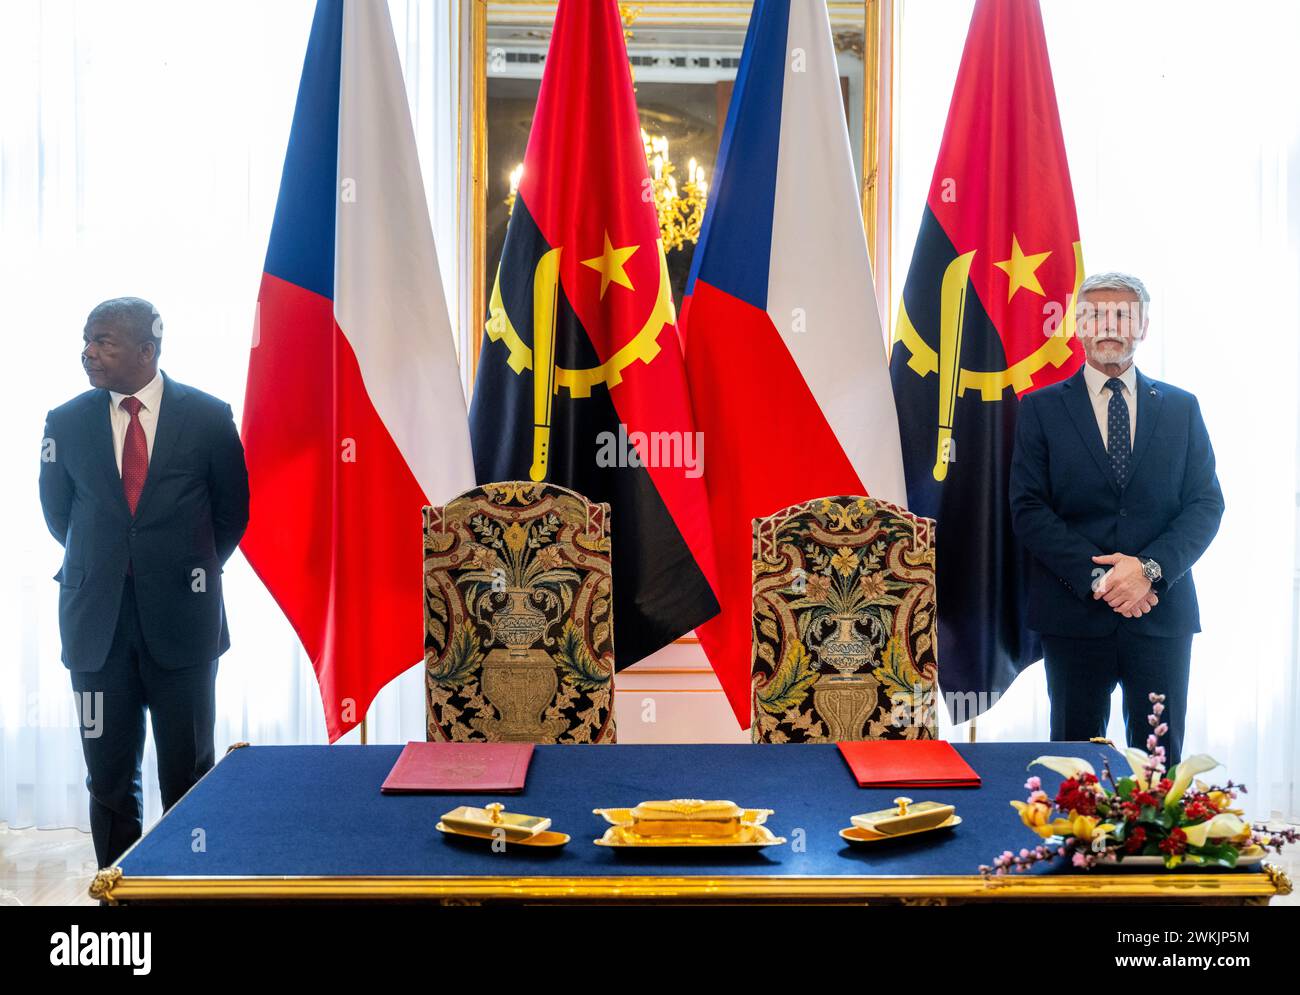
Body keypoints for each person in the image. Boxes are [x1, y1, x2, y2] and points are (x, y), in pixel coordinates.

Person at [39, 297, 249, 867]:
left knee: (188, 771)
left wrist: (183, 572)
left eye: (103, 341)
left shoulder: (208, 417)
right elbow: (60, 516)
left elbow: (232, 515)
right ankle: (118, 888)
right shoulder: (66, 421)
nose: (89, 352)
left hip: (184, 620)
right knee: (107, 775)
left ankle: (185, 883)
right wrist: (112, 562)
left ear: (145, 350)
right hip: (95, 626)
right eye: (87, 339)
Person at [1009, 272, 1224, 767]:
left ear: (1143, 326)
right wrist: (1104, 579)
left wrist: (1146, 570)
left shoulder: (1181, 408)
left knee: (1159, 765)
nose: (1109, 325)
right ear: (1077, 326)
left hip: (1160, 612)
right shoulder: (1040, 410)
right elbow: (1029, 508)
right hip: (1074, 615)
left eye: (1123, 314)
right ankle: (1079, 849)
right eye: (1095, 314)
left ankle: (1152, 849)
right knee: (1074, 766)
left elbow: (1206, 505)